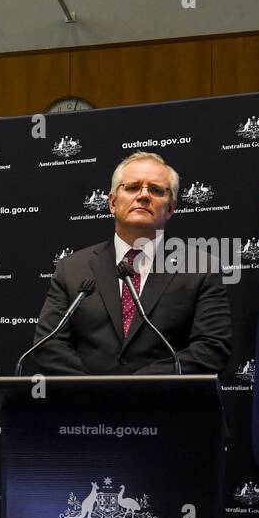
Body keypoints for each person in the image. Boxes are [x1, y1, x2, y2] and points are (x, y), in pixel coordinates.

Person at [28, 151, 231, 375]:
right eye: (133, 187)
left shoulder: (199, 267)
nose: (144, 196)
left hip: (164, 403)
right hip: (88, 405)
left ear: (171, 208)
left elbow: (212, 348)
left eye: (156, 190)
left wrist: (135, 387)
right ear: (113, 203)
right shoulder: (73, 268)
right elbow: (49, 344)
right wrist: (93, 390)